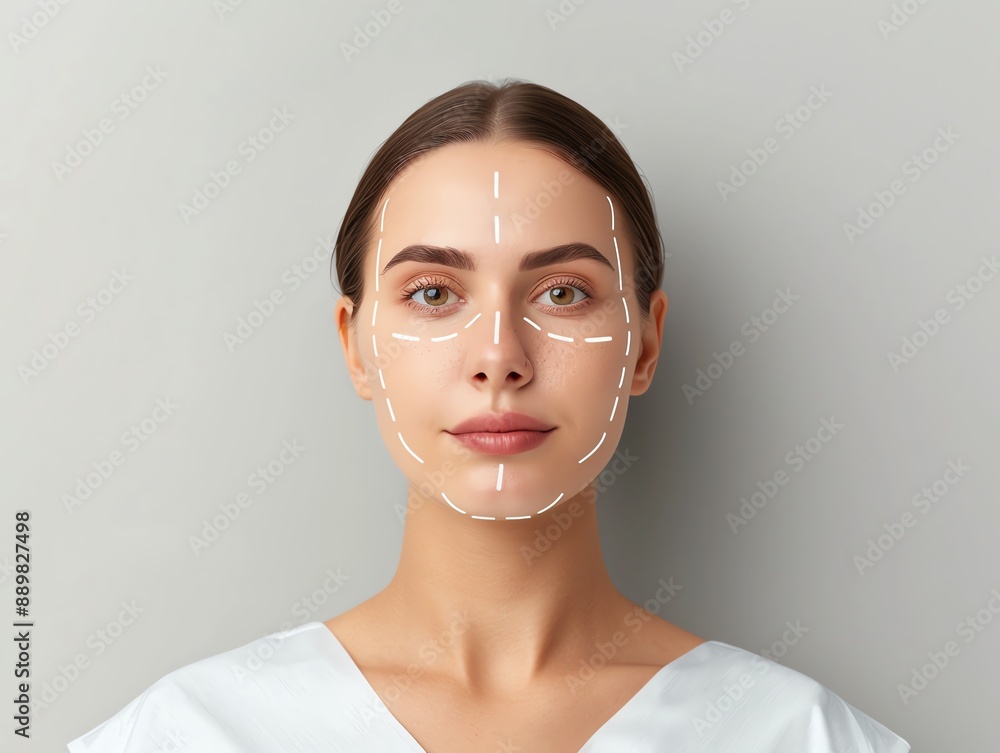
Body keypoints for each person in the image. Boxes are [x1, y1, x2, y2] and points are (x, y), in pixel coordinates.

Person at [67, 79, 911, 752]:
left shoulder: (795, 735)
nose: (500, 354)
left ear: (646, 346)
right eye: (433, 293)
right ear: (356, 346)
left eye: (563, 292)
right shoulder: (192, 732)